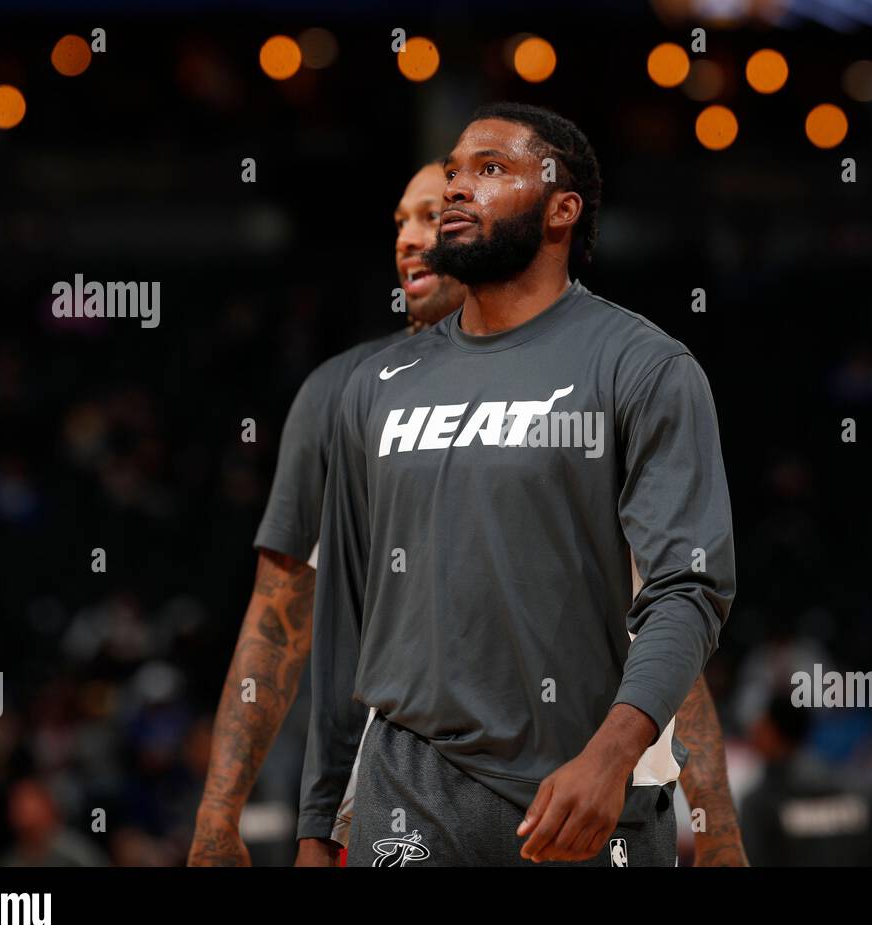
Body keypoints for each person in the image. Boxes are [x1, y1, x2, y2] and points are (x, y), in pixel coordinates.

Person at [297, 103, 736, 866]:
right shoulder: (377, 386)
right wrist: (314, 828)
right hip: (408, 787)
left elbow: (689, 589)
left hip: (582, 786)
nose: (460, 187)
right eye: (457, 171)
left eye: (492, 169)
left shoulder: (644, 366)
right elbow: (344, 616)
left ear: (563, 207)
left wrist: (613, 755)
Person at [188, 161, 465, 865]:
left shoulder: (578, 377)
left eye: (430, 216)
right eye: (400, 220)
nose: (407, 238)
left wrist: (711, 824)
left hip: (549, 785)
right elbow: (277, 618)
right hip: (375, 792)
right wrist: (219, 812)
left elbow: (646, 604)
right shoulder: (340, 391)